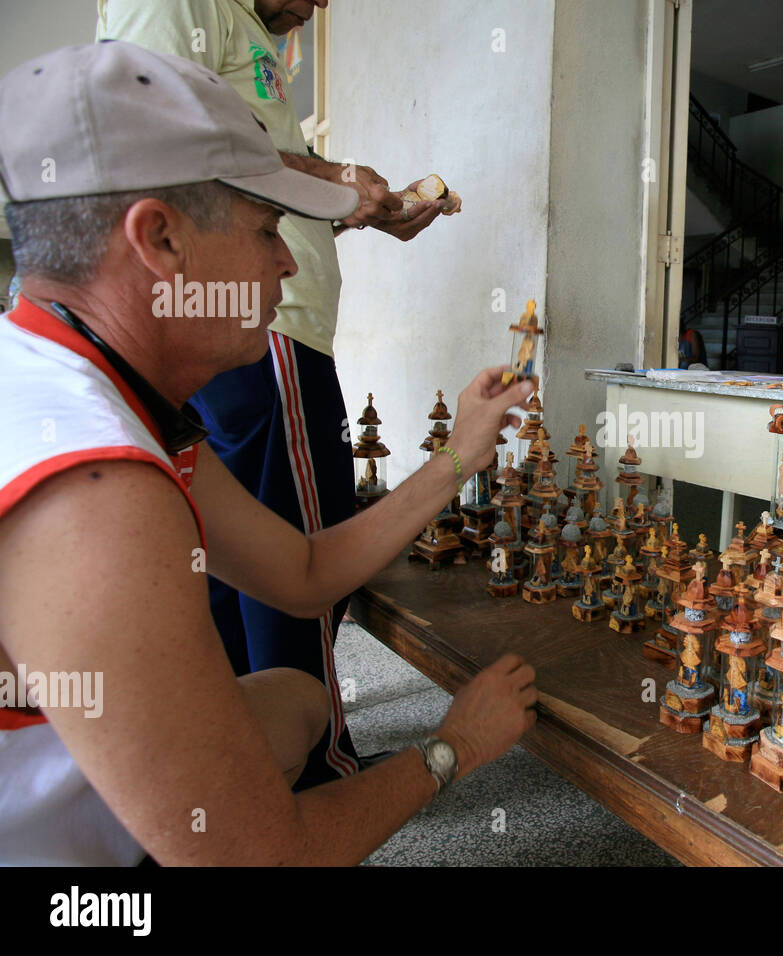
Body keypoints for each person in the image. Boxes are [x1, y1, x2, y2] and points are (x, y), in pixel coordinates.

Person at [0, 42, 534, 865]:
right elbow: (261, 859)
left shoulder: (77, 377)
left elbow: (303, 573)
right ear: (161, 242)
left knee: (296, 700)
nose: (286, 262)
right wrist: (450, 748)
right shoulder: (95, 489)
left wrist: (460, 454)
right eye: (265, 228)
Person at [97, 0, 459, 786]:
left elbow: (236, 172)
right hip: (263, 336)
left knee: (241, 560)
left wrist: (351, 210)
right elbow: (152, 128)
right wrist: (331, 177)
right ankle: (315, 778)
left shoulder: (251, 32)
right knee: (302, 543)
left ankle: (237, 758)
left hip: (257, 332)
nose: (320, 5)